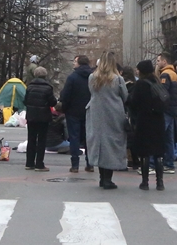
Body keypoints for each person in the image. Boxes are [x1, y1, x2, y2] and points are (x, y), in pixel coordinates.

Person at [87, 51, 129, 189]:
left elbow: (91, 92)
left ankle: (102, 177)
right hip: (113, 114)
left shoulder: (92, 77)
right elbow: (125, 96)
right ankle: (108, 179)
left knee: (99, 143)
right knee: (112, 144)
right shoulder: (118, 79)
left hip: (96, 114)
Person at [128, 60, 168, 190]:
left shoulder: (140, 84)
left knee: (144, 153)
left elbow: (134, 103)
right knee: (158, 153)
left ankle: (145, 182)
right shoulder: (157, 82)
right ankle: (160, 182)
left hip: (144, 121)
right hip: (159, 121)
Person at [59, 55, 94, 174]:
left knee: (74, 138)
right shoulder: (93, 77)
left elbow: (66, 95)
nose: (73, 63)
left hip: (73, 112)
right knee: (89, 137)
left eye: (75, 61)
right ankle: (90, 164)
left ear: (79, 63)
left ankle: (75, 165)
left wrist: (64, 108)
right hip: (89, 111)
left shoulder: (72, 77)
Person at [23, 66, 57, 172]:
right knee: (41, 140)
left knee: (31, 139)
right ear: (45, 75)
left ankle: (29, 163)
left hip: (31, 116)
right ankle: (39, 164)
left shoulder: (29, 86)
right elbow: (53, 102)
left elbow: (25, 101)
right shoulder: (48, 88)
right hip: (43, 117)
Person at [155, 52, 177, 173]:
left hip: (165, 110)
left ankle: (152, 164)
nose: (157, 63)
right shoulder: (174, 74)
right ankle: (169, 164)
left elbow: (163, 93)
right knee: (169, 138)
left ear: (164, 61)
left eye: (158, 61)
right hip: (172, 109)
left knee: (158, 135)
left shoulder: (165, 75)